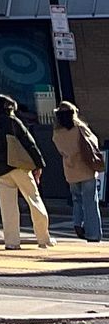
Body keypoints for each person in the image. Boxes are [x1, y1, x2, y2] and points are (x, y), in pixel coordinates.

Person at [0, 93, 52, 250]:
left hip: (0, 170)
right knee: (34, 200)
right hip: (18, 166)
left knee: (8, 208)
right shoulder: (12, 121)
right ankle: (43, 238)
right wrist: (38, 164)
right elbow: (29, 143)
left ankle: (12, 242)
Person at [51, 101, 105, 243]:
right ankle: (93, 234)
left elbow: (61, 151)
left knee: (76, 200)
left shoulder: (57, 133)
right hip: (86, 169)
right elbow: (94, 142)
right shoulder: (80, 128)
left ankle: (77, 223)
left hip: (70, 171)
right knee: (90, 203)